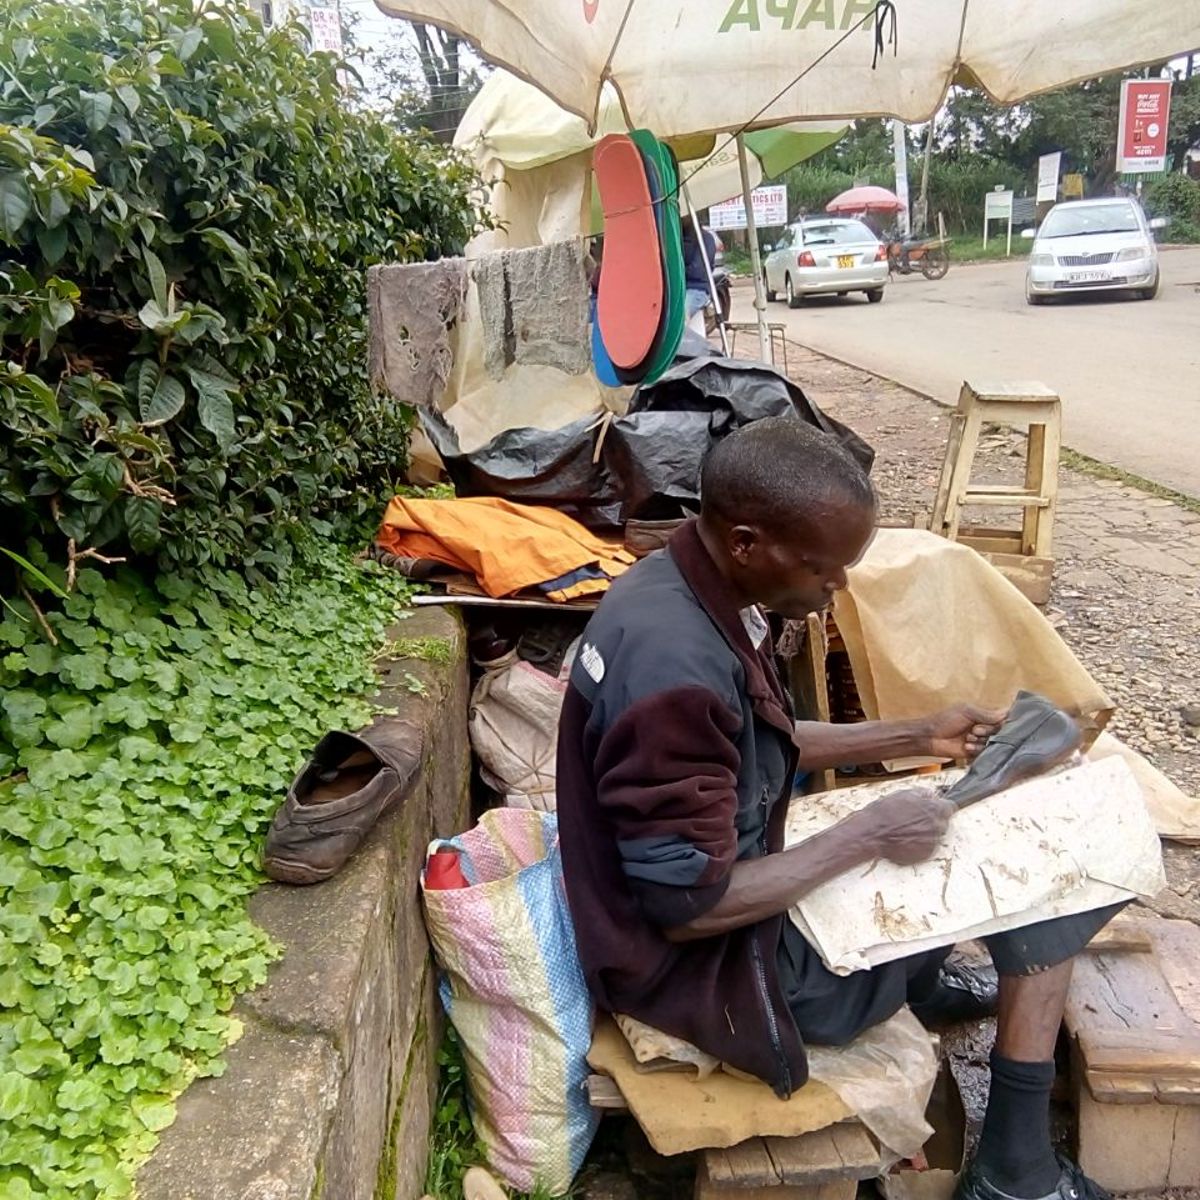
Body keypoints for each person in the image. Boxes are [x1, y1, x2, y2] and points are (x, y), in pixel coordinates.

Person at [557, 416, 1119, 1200]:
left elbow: (755, 734)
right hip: (717, 974)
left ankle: (916, 975)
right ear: (749, 541)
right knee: (1051, 868)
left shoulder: (683, 584)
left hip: (720, 901)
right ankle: (1015, 1170)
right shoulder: (673, 669)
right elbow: (686, 906)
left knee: (945, 817)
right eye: (825, 571)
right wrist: (867, 833)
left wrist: (916, 730)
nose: (840, 588)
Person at [681, 217, 718, 335]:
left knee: (680, 316)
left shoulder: (705, 239)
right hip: (679, 288)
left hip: (697, 288)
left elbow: (697, 271)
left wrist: (678, 271)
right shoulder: (677, 238)